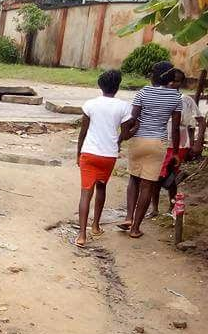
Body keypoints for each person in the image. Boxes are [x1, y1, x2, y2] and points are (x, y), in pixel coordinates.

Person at [118, 61, 183, 238]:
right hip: (158, 143)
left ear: (153, 76)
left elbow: (133, 118)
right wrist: (175, 152)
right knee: (147, 185)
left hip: (138, 140)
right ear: (170, 77)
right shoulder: (176, 97)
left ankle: (129, 217)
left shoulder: (143, 92)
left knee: (133, 179)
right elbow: (176, 128)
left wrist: (123, 136)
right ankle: (135, 228)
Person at [75, 70, 132, 247]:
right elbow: (126, 132)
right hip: (108, 155)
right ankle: (96, 226)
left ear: (100, 85)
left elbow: (83, 132)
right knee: (101, 187)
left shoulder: (90, 104)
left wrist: (78, 153)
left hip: (89, 152)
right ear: (118, 86)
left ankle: (82, 235)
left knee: (86, 193)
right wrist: (119, 140)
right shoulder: (123, 107)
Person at [151, 69, 205, 216]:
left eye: (176, 81)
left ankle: (172, 205)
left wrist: (198, 142)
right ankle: (155, 208)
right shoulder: (159, 97)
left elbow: (200, 120)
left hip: (179, 143)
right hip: (160, 141)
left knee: (166, 175)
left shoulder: (185, 99)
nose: (172, 83)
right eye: (170, 80)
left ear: (181, 83)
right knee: (157, 175)